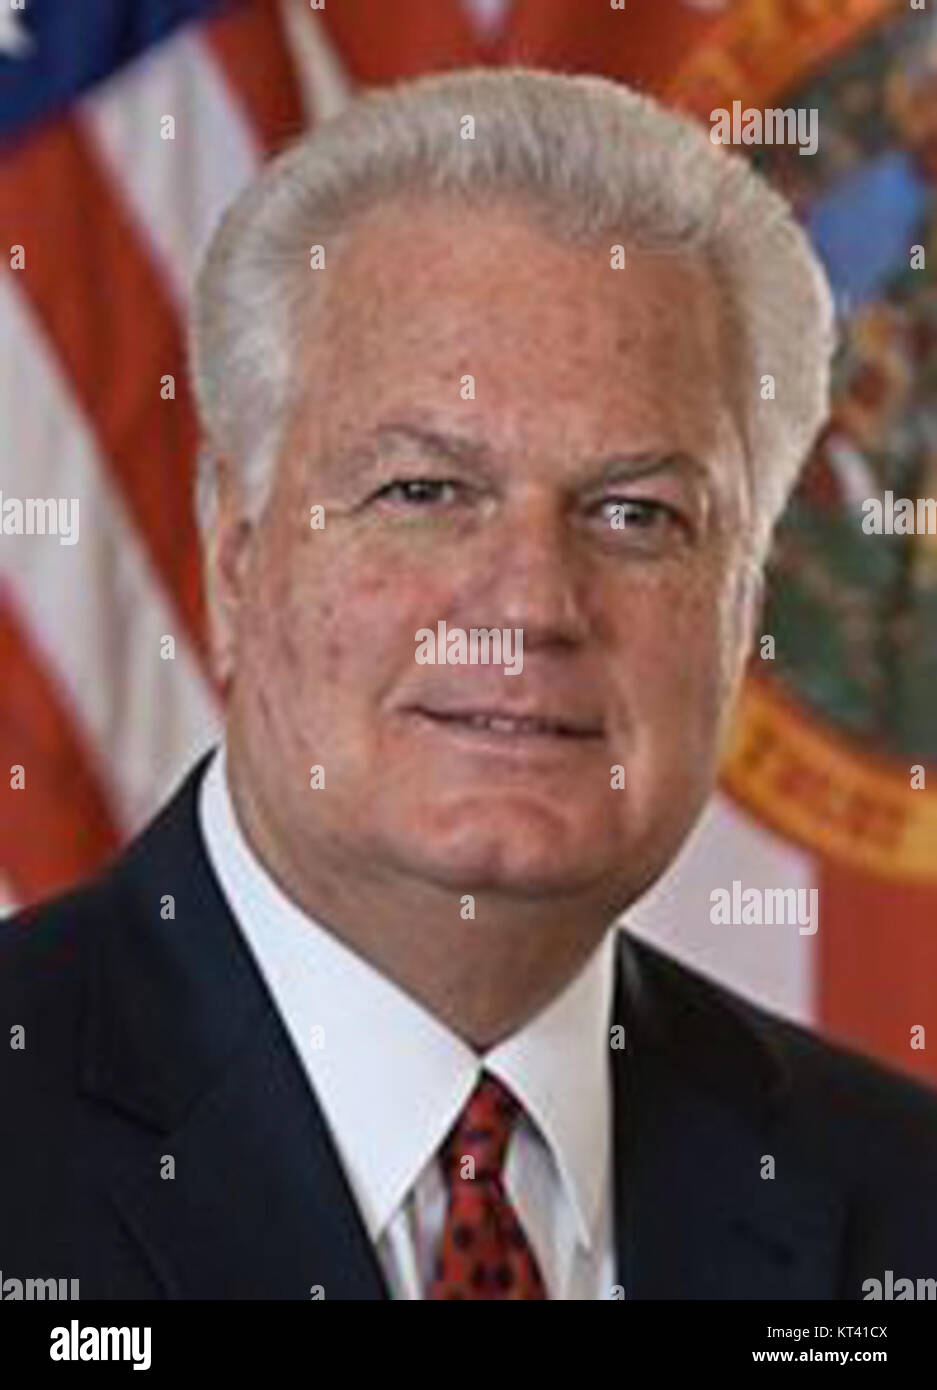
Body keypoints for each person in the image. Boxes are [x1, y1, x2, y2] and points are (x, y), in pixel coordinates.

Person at [2, 68, 936, 1301]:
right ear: (237, 556)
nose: (530, 605)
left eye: (634, 512)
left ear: (743, 603)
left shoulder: (899, 1203)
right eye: (425, 492)